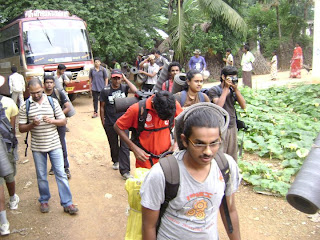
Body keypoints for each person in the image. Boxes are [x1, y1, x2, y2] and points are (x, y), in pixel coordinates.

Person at [140, 108, 241, 240]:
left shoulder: (226, 166)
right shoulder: (162, 174)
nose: (208, 152)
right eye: (199, 143)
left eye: (214, 143)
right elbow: (149, 226)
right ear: (184, 141)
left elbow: (230, 210)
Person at [19, 78, 78, 215]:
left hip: (54, 144)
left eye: (39, 92)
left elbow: (63, 121)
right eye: (33, 93)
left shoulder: (52, 102)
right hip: (37, 147)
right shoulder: (25, 106)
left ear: (43, 89)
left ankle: (67, 203)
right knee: (41, 175)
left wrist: (52, 120)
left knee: (61, 173)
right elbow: (21, 128)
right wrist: (32, 125)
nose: (36, 95)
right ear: (29, 91)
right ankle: (44, 200)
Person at [114, 91, 183, 169]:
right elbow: (118, 126)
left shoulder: (172, 105)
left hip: (167, 157)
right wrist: (134, 148)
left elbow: (183, 124)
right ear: (153, 105)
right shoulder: (137, 110)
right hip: (145, 160)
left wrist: (176, 144)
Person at [99, 70, 138, 180]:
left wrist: (126, 80)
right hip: (110, 122)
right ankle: (115, 160)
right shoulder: (105, 90)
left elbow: (136, 91)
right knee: (113, 143)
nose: (117, 80)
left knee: (125, 145)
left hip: (123, 123)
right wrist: (103, 122)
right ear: (111, 78)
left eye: (119, 78)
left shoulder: (124, 88)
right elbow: (102, 107)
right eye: (115, 78)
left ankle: (125, 171)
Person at [207, 66, 246, 161]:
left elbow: (243, 105)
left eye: (234, 77)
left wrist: (236, 90)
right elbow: (218, 106)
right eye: (230, 77)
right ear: (223, 77)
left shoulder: (233, 90)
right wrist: (225, 90)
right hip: (220, 126)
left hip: (232, 124)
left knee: (232, 154)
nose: (232, 79)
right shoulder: (214, 90)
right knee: (220, 154)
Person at [0, 76, 19, 236]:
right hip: (5, 145)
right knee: (9, 174)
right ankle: (13, 199)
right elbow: (12, 127)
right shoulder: (9, 102)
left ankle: (3, 223)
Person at [43, 75, 72, 179]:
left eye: (51, 82)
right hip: (47, 125)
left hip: (59, 124)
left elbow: (68, 107)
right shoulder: (41, 95)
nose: (49, 84)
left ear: (54, 84)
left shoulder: (58, 93)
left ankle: (66, 168)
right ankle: (54, 166)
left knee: (61, 145)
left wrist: (58, 116)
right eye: (47, 82)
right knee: (49, 146)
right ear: (44, 84)